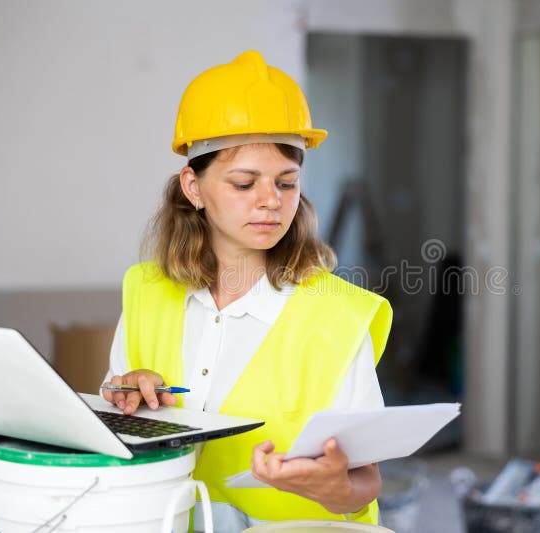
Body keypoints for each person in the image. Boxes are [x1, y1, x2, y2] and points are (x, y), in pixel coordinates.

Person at [101, 50, 392, 531]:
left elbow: (365, 482)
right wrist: (126, 397)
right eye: (243, 183)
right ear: (193, 187)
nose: (271, 201)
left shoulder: (338, 315)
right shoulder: (145, 292)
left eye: (286, 182)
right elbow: (118, 421)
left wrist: (334, 488)